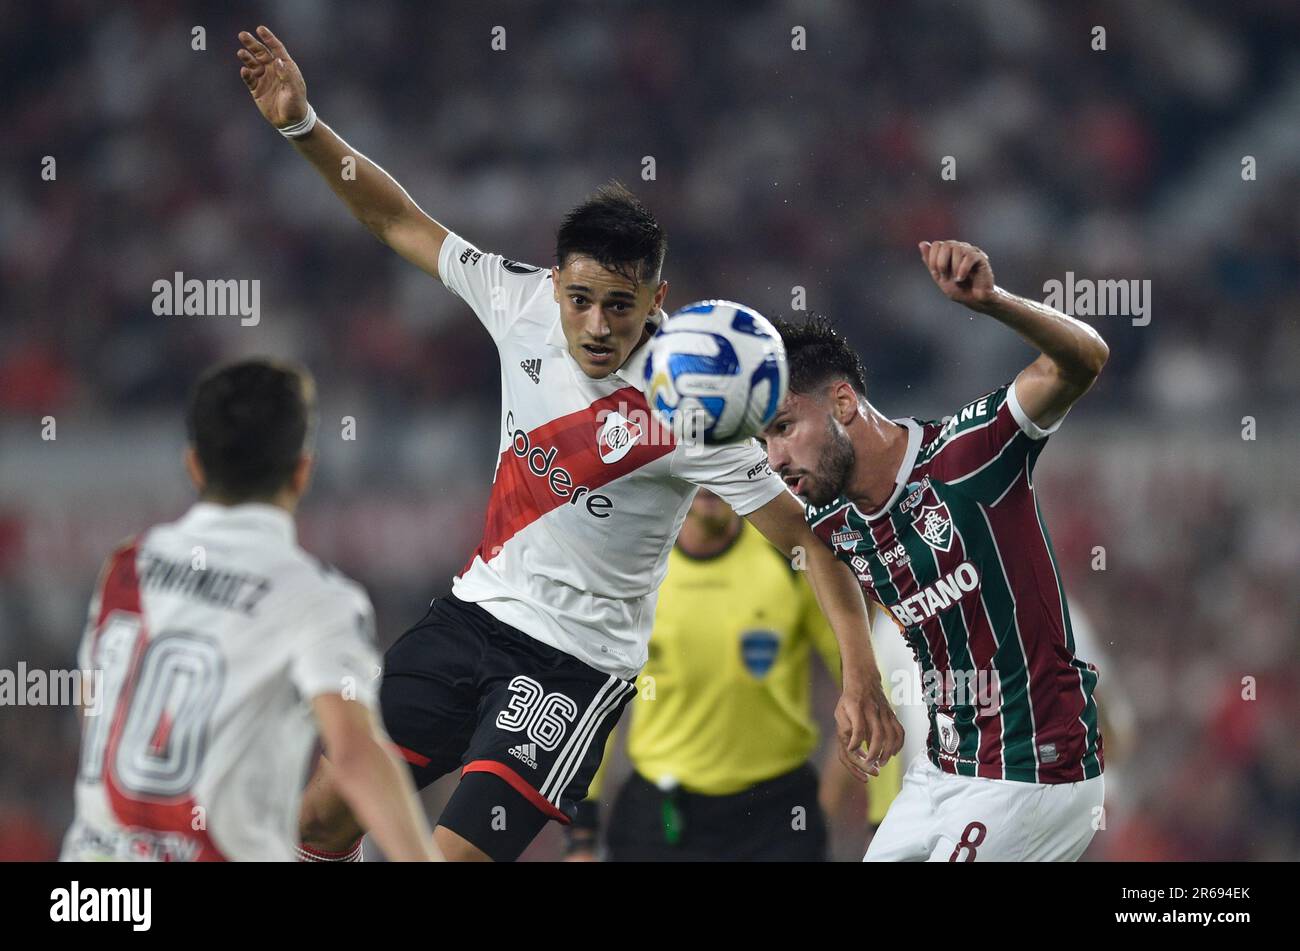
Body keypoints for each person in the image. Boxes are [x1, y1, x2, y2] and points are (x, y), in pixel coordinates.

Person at [236, 25, 902, 862]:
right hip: (470, 615)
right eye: (580, 298)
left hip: (573, 663)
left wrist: (860, 672)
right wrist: (302, 125)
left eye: (619, 305)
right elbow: (396, 219)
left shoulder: (695, 404)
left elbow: (808, 542)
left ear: (658, 296)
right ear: (555, 282)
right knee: (321, 817)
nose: (595, 324)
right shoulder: (516, 302)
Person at [760, 240, 1109, 861]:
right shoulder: (832, 510)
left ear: (842, 402)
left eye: (785, 427)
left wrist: (995, 302)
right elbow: (817, 546)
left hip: (1034, 774)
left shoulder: (968, 455)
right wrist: (859, 672)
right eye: (765, 440)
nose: (776, 458)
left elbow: (1083, 360)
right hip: (941, 770)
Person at [62, 359, 438, 862]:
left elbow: (99, 714)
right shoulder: (315, 599)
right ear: (303, 472)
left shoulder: (126, 566)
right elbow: (354, 755)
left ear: (193, 464)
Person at [565, 489, 903, 862]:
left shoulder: (791, 557)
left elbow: (864, 683)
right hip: (660, 820)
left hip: (776, 817)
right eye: (700, 458)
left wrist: (883, 820)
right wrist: (580, 832)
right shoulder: (635, 571)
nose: (709, 482)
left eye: (722, 450)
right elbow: (599, 701)